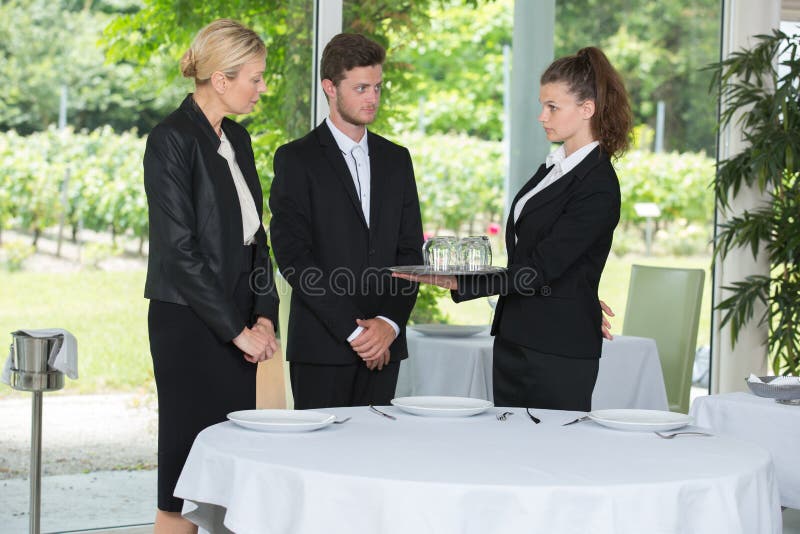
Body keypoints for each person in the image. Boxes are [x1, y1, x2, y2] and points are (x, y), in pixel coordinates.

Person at [395, 47, 632, 411]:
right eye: (542, 105)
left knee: (550, 457)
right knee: (511, 454)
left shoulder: (597, 182)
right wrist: (577, 292)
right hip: (517, 336)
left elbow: (543, 267)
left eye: (553, 107)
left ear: (587, 109)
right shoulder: (557, 167)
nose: (542, 116)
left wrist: (463, 281)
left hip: (556, 346)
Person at [143, 19, 279, 533]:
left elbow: (256, 238)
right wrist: (236, 330)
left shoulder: (238, 138)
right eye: (256, 77)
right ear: (221, 79)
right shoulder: (170, 140)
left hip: (238, 322)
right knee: (184, 468)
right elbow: (179, 252)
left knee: (231, 467)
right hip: (189, 327)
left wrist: (264, 317)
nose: (261, 87)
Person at [269, 33, 423, 409]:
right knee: (319, 461)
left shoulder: (396, 159)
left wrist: (388, 323)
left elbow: (409, 251)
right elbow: (293, 257)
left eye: (377, 87)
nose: (372, 98)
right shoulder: (296, 159)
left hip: (385, 346)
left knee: (375, 460)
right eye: (361, 88)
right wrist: (354, 332)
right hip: (322, 347)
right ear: (330, 88)